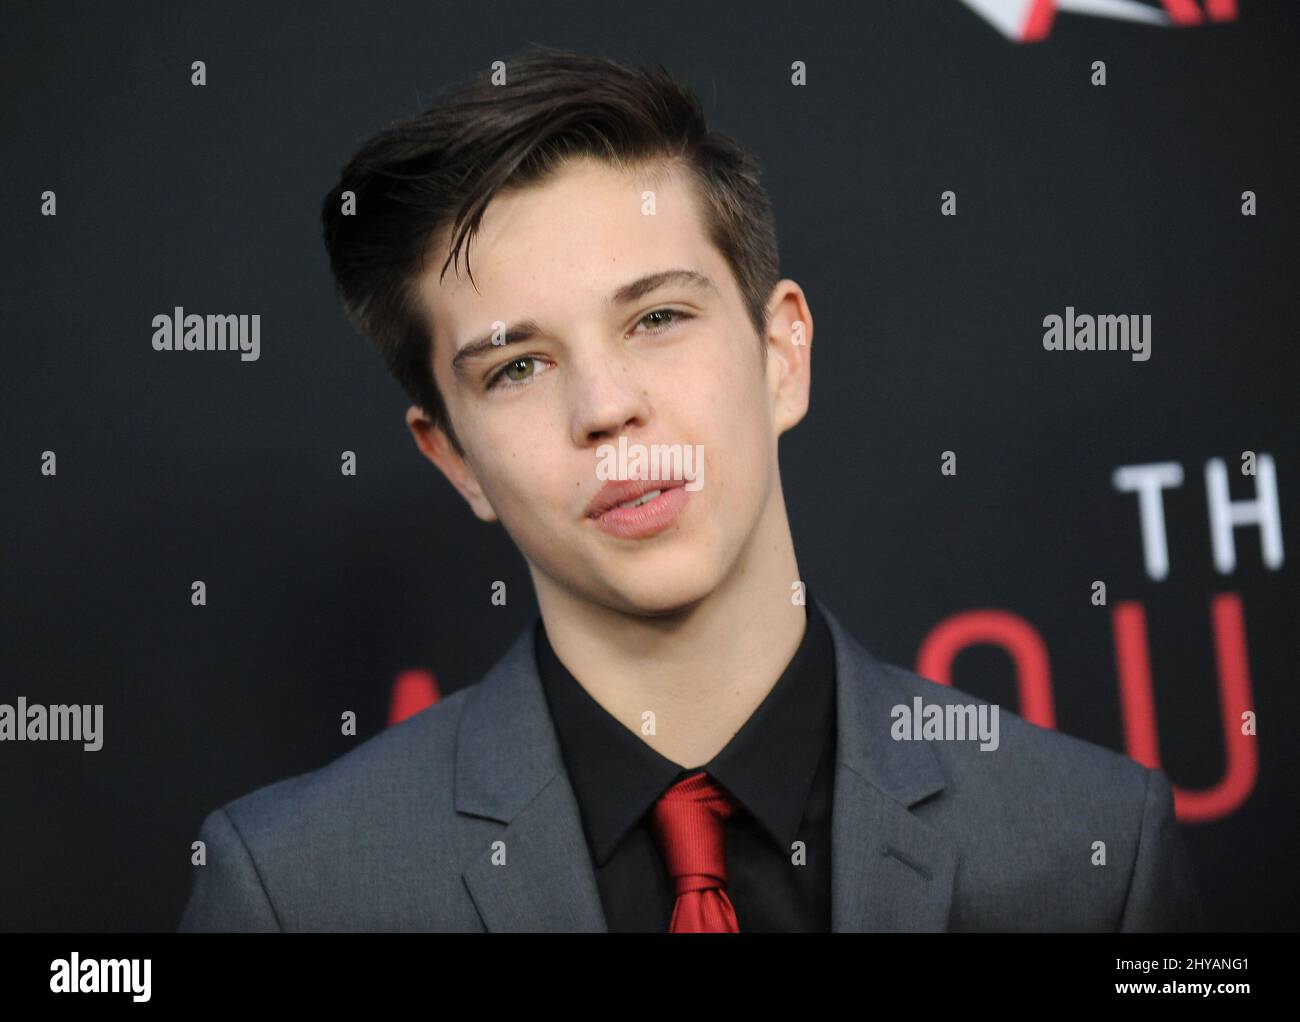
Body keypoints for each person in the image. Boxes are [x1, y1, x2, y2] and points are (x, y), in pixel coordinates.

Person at [178, 46, 1204, 932]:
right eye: (516, 366)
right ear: (453, 459)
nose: (606, 406)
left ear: (780, 354)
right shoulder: (298, 889)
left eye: (657, 318)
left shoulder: (1092, 845)